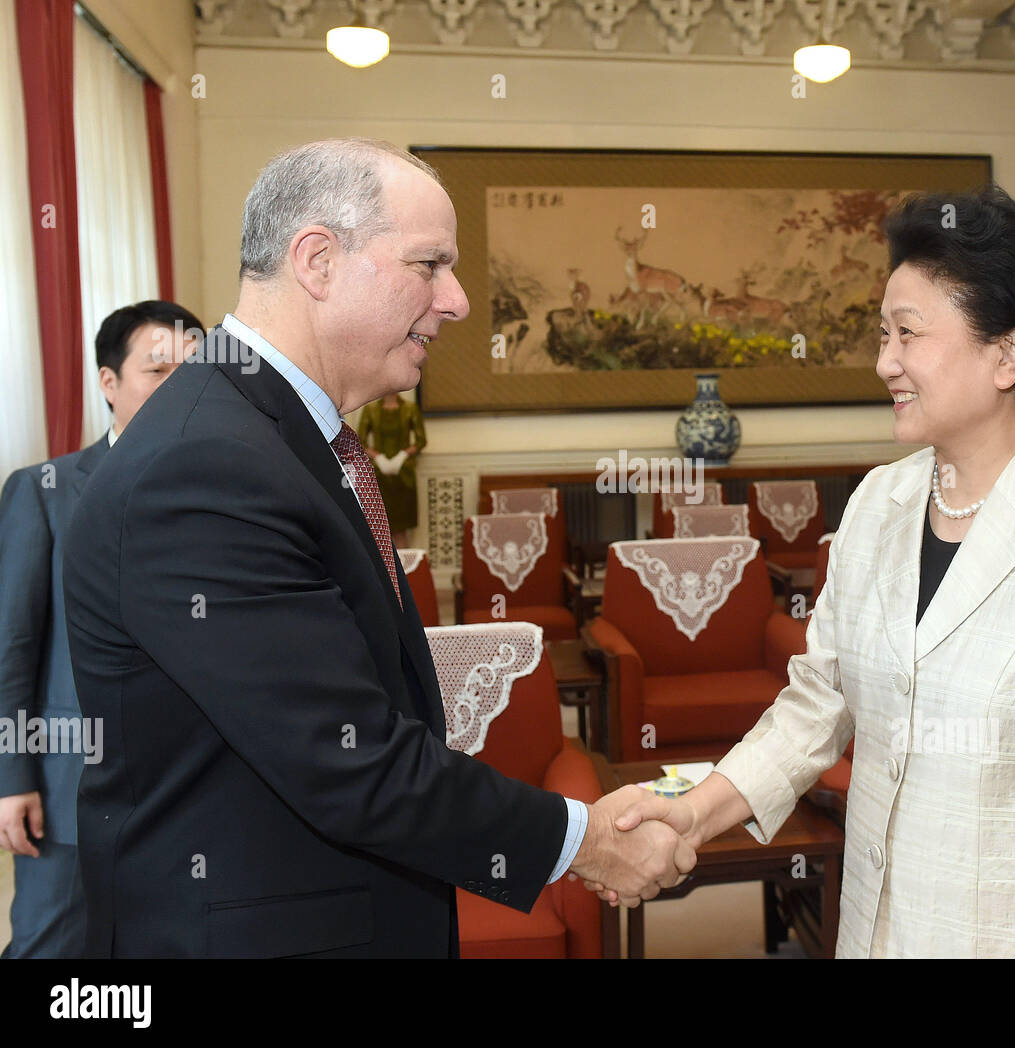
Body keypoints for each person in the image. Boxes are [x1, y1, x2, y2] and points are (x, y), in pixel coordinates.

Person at [62, 139, 693, 958]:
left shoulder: (265, 434)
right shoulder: (207, 464)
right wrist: (584, 839)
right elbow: (346, 760)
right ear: (318, 261)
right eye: (429, 264)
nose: (459, 301)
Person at [589, 186, 1015, 959]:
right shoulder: (882, 503)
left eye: (908, 334)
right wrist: (695, 811)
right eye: (883, 334)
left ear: (1009, 353)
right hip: (877, 932)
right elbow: (817, 706)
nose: (885, 362)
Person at [0, 300, 202, 957]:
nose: (182, 387)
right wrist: (11, 778)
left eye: (195, 371)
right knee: (50, 949)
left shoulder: (223, 494)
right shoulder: (45, 491)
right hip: (68, 789)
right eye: (159, 369)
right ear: (109, 383)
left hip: (188, 788)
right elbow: (11, 647)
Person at [357, 392, 425, 546]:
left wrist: (402, 455)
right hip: (379, 475)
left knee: (401, 529)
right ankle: (385, 569)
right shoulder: (371, 409)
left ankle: (406, 568)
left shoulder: (410, 408)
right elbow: (360, 440)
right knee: (380, 528)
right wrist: (378, 458)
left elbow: (421, 440)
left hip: (404, 475)